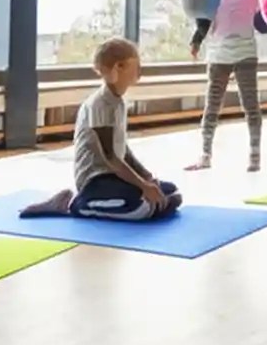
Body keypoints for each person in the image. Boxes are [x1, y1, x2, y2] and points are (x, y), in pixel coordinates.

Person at [20, 38, 182, 220]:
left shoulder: (118, 102)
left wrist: (147, 177)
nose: (140, 69)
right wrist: (144, 186)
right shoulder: (100, 104)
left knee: (171, 193)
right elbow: (111, 157)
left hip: (116, 176)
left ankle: (139, 203)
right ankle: (74, 203)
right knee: (142, 206)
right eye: (136, 64)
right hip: (97, 179)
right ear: (119, 67)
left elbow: (123, 150)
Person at [185, 0, 267, 172]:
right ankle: (205, 154)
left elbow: (261, 25)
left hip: (246, 55)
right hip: (219, 57)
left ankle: (255, 155)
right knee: (212, 106)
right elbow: (203, 25)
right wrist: (196, 42)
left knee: (251, 105)